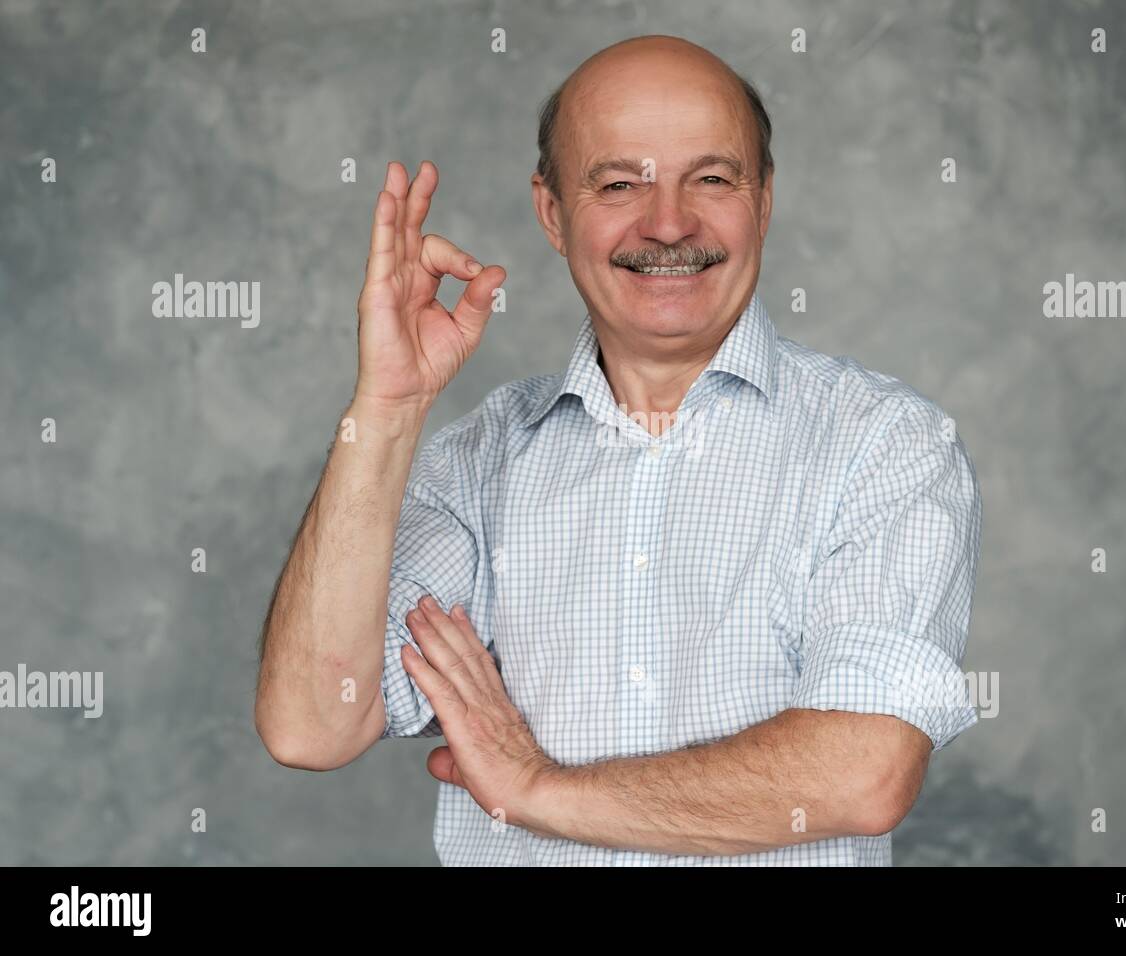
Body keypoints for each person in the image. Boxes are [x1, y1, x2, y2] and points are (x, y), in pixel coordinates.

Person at [255, 34, 982, 866]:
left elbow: (862, 773)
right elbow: (311, 723)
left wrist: (537, 790)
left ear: (765, 201)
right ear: (553, 214)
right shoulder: (474, 464)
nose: (668, 222)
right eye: (618, 182)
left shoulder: (885, 444)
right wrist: (386, 408)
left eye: (711, 178)